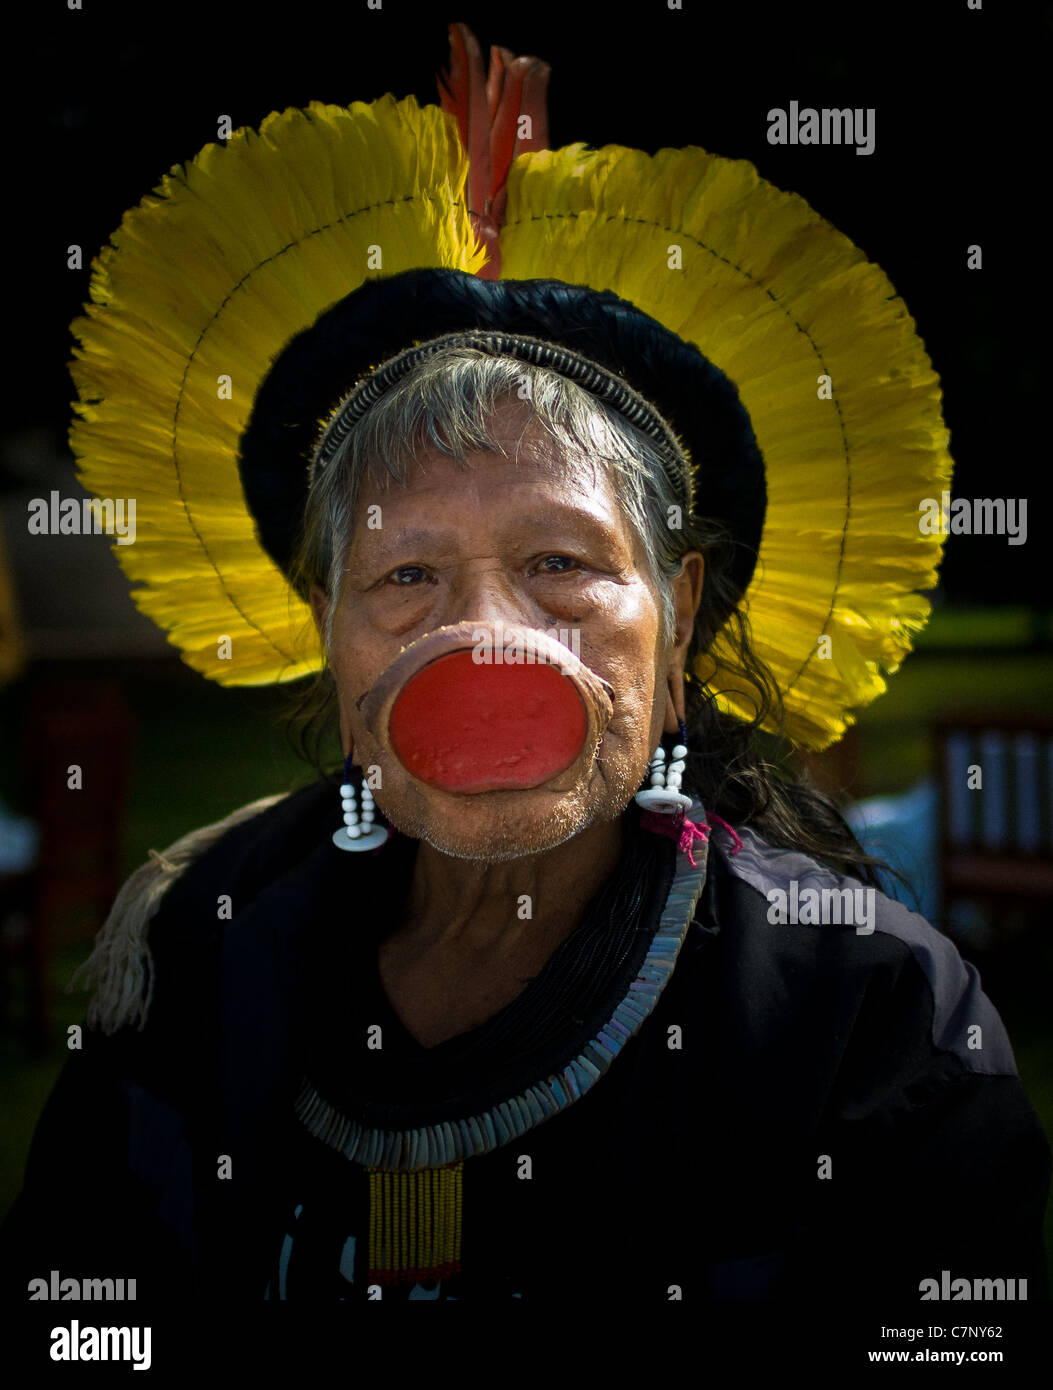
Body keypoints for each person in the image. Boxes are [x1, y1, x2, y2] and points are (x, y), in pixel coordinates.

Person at [1, 25, 1047, 1304]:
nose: (486, 635)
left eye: (560, 563)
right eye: (404, 576)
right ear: (328, 629)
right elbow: (76, 1324)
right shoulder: (197, 951)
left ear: (678, 618)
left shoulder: (871, 1013)